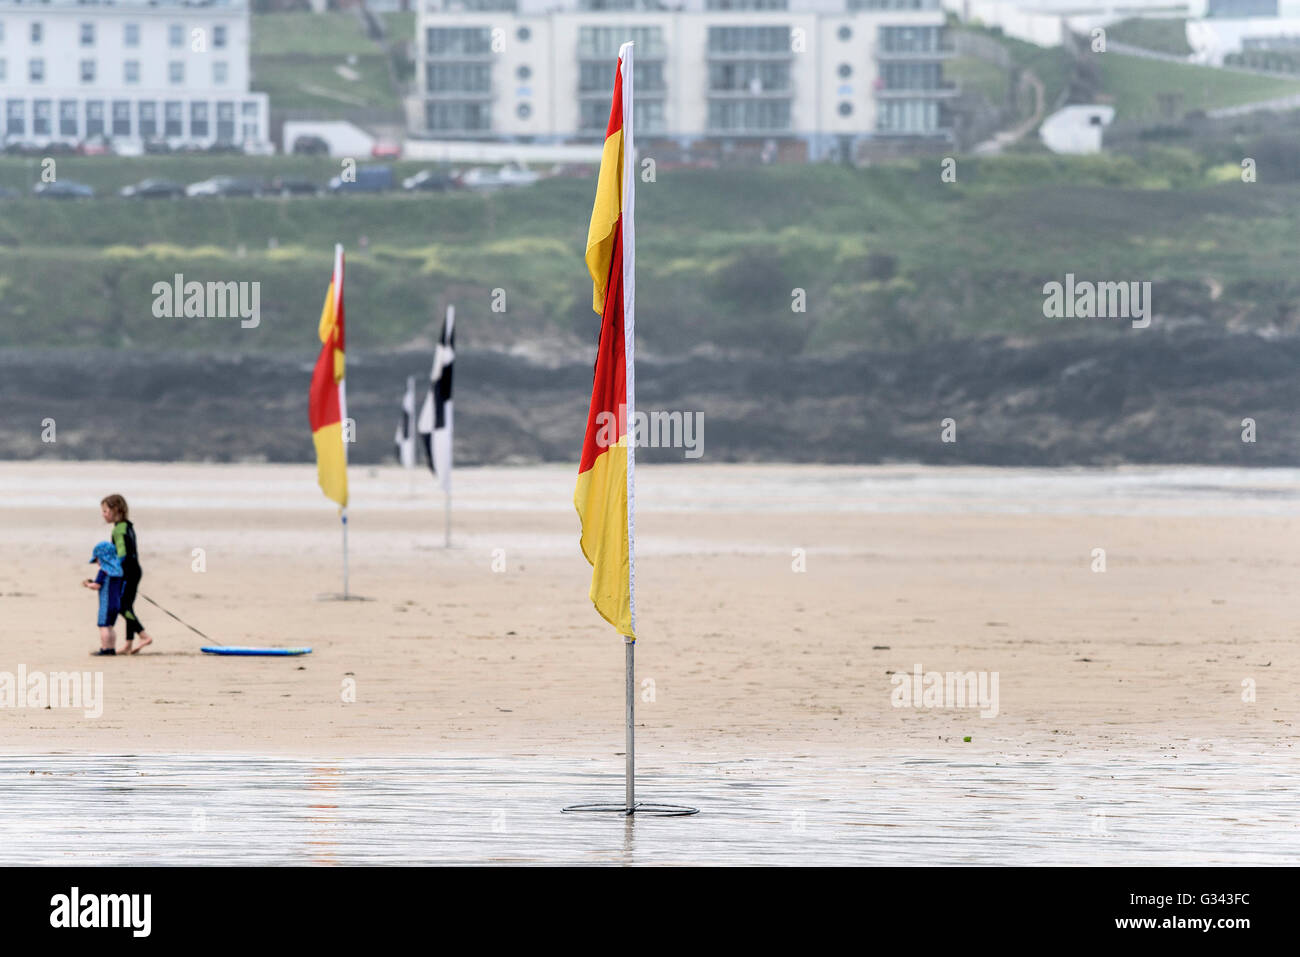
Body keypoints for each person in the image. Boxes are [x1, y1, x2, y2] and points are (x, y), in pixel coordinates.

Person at [100, 494, 154, 654]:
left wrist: (112, 568)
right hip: (134, 569)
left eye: (105, 511)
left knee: (123, 607)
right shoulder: (126, 525)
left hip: (128, 571)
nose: (103, 515)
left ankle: (143, 636)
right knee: (127, 605)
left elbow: (122, 553)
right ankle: (129, 644)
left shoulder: (118, 529)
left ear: (116, 510)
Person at [83, 540, 124, 656]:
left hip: (106, 603)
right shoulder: (119, 571)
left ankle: (105, 649)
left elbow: (97, 585)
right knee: (110, 626)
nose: (97, 562)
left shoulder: (104, 571)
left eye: (97, 560)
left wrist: (88, 584)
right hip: (116, 603)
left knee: (103, 626)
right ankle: (112, 648)